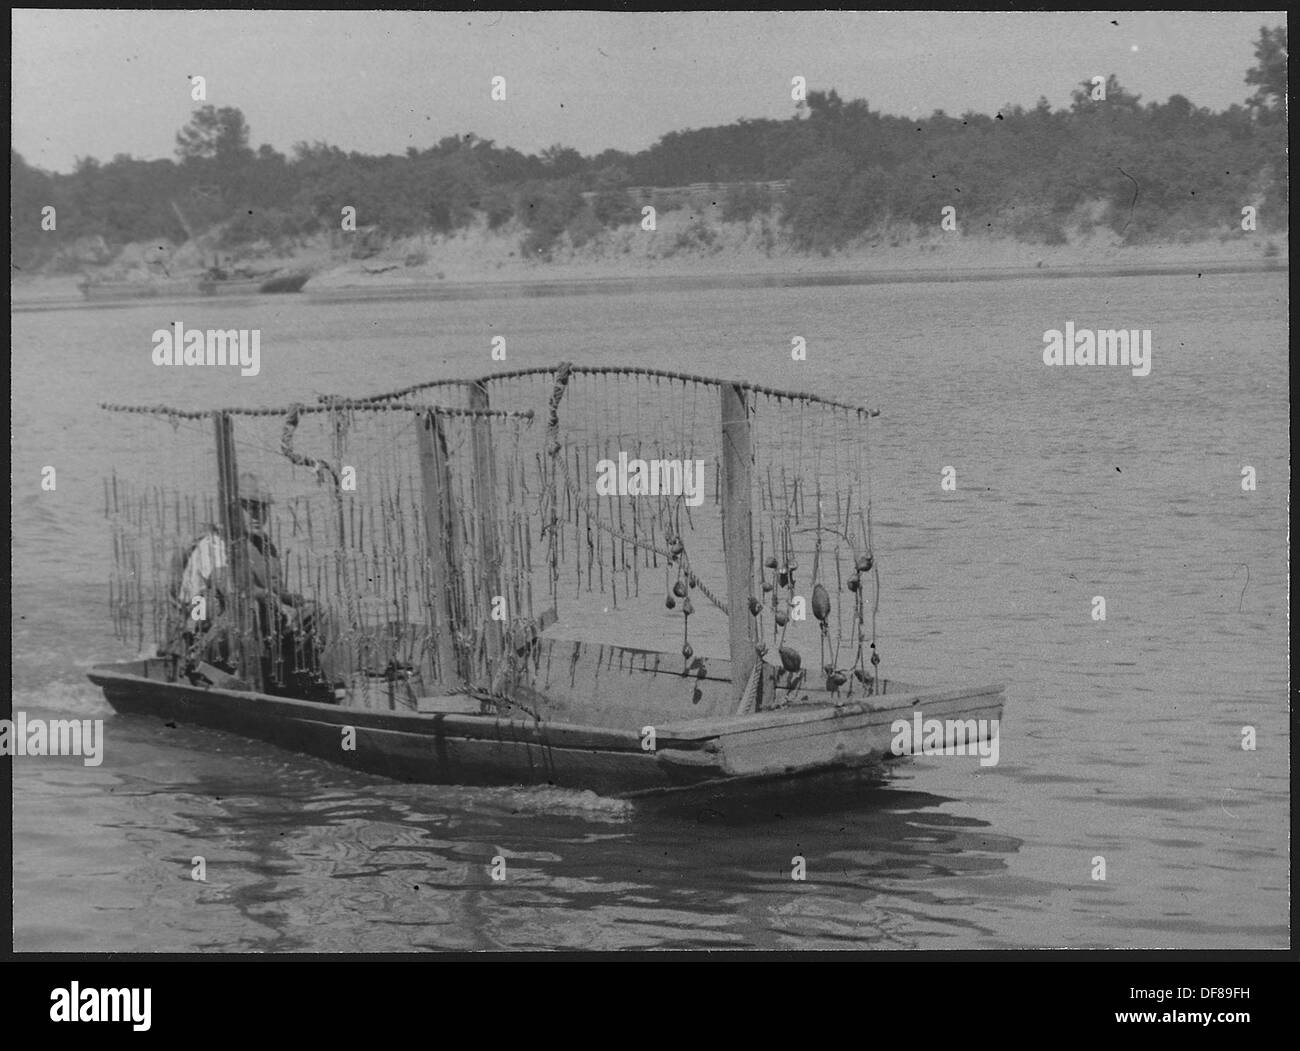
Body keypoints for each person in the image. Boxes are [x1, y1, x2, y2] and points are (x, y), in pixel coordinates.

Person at [176, 472, 331, 696]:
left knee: (316, 612)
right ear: (234, 510)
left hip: (252, 633)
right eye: (250, 508)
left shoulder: (261, 545)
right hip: (207, 641)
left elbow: (275, 589)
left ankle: (300, 675)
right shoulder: (215, 545)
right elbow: (232, 588)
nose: (258, 515)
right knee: (248, 607)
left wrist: (290, 599)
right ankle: (250, 679)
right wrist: (268, 596)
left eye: (262, 508)